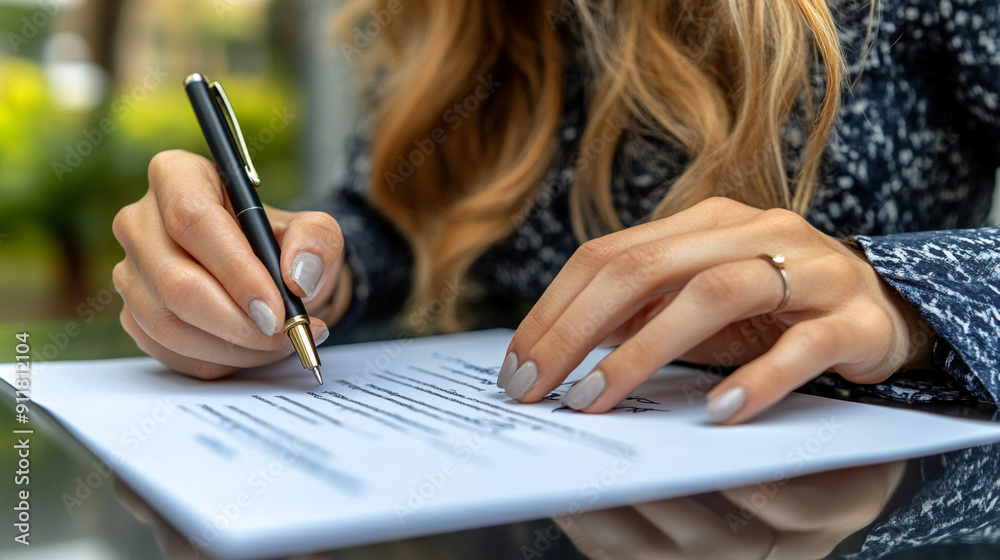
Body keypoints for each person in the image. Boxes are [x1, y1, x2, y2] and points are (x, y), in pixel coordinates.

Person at [112, 0, 1000, 556]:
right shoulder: (451, 17)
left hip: (846, 509)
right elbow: (399, 213)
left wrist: (899, 296)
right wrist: (294, 267)